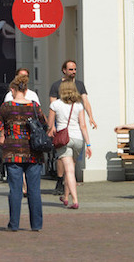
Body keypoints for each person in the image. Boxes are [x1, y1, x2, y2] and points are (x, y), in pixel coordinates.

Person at [0, 72, 49, 232]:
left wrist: (4, 135)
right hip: (33, 152)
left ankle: (14, 224)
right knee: (34, 190)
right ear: (25, 90)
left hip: (12, 152)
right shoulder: (34, 106)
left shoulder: (6, 107)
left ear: (13, 89)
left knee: (15, 190)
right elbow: (44, 125)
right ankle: (36, 225)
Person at [49, 80, 91, 209]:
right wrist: (88, 145)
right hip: (78, 139)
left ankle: (75, 200)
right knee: (70, 169)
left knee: (69, 171)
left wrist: (50, 131)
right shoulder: (78, 105)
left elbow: (50, 125)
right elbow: (83, 126)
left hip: (64, 139)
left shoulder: (55, 105)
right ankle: (66, 197)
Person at [48, 60, 97, 129]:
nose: (74, 72)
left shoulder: (80, 84)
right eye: (71, 69)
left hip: (76, 122)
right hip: (61, 123)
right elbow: (53, 107)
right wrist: (52, 125)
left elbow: (86, 102)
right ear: (64, 70)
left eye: (75, 69)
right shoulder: (56, 85)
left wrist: (91, 117)